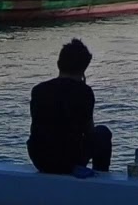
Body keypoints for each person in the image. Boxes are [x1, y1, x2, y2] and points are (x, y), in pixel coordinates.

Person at [27, 38, 112, 175]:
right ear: (83, 68)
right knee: (102, 133)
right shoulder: (84, 93)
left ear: (58, 63)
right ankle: (100, 176)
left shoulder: (38, 90)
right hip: (69, 161)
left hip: (40, 160)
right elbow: (88, 130)